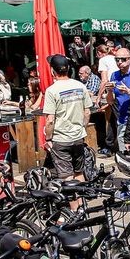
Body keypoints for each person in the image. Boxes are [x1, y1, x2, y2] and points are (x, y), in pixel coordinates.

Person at [40, 55, 92, 206]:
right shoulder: (80, 86)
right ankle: (82, 206)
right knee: (79, 173)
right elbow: (87, 112)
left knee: (67, 176)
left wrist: (48, 139)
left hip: (61, 139)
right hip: (78, 137)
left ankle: (75, 210)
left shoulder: (51, 90)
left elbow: (50, 120)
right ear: (68, 69)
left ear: (52, 71)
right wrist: (82, 128)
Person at [108, 48, 130, 154]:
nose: (119, 62)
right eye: (117, 60)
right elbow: (110, 101)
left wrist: (129, 91)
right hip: (122, 119)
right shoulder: (114, 75)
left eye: (122, 59)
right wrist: (109, 91)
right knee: (124, 153)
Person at [78, 65, 107, 155]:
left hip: (97, 108)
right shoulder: (83, 81)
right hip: (87, 107)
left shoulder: (94, 79)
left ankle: (102, 144)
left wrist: (84, 92)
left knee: (98, 124)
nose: (79, 75)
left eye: (81, 73)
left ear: (87, 73)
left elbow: (91, 93)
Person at [96, 44, 119, 154]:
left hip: (112, 91)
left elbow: (104, 80)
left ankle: (110, 146)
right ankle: (111, 145)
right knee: (116, 119)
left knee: (112, 119)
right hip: (121, 90)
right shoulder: (114, 58)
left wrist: (98, 97)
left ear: (99, 53)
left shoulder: (103, 60)